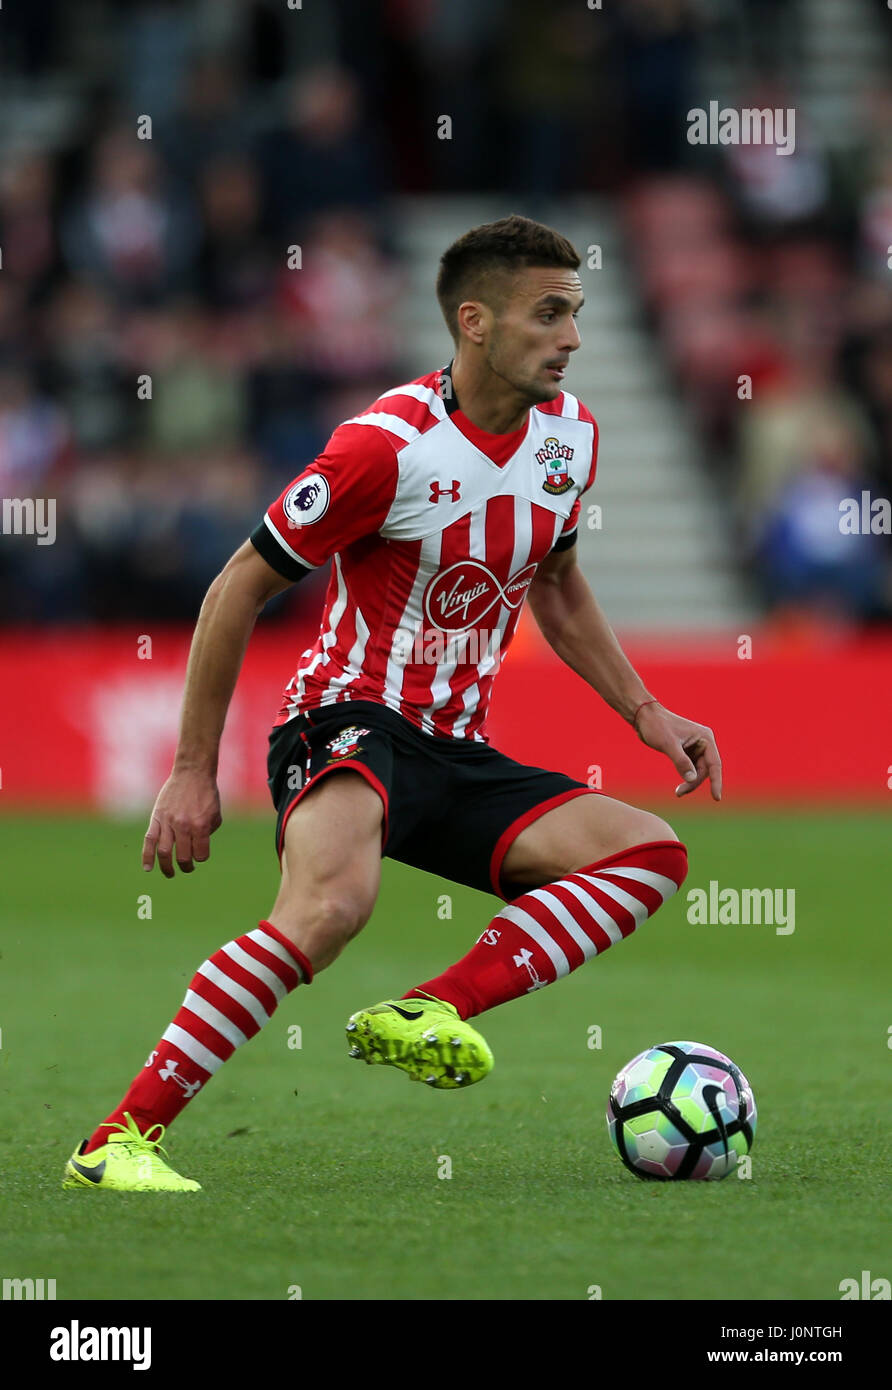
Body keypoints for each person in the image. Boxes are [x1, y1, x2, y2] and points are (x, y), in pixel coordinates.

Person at [63, 215, 721, 1193]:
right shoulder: (384, 447)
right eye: (548, 314)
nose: (572, 338)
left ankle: (431, 1007)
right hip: (347, 720)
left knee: (646, 852)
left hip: (457, 748)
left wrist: (643, 711)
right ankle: (116, 1141)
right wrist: (194, 770)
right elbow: (238, 584)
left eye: (576, 314)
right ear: (475, 322)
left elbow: (558, 584)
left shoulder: (570, 439)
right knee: (331, 908)